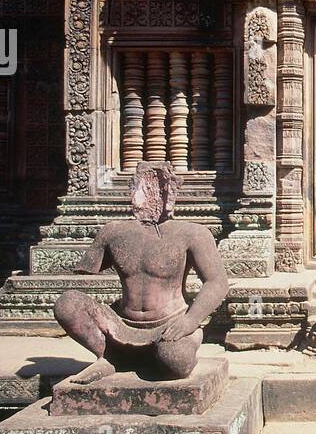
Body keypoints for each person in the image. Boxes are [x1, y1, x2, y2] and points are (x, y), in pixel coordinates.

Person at [53, 161, 229, 383]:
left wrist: (190, 321)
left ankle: (150, 356)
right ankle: (111, 355)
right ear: (133, 189)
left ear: (172, 192)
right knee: (67, 304)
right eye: (145, 186)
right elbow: (86, 269)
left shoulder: (192, 234)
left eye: (161, 187)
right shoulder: (114, 232)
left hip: (171, 323)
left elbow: (217, 282)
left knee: (175, 361)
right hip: (121, 323)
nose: (153, 194)